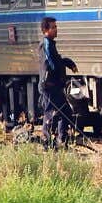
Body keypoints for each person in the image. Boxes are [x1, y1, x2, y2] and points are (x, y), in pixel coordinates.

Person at [38, 16, 78, 149]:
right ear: (45, 30)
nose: (56, 29)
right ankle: (46, 142)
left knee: (65, 111)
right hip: (49, 86)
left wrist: (67, 63)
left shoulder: (50, 44)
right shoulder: (46, 45)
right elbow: (53, 63)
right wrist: (65, 64)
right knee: (50, 113)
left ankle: (61, 140)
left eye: (56, 27)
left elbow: (56, 61)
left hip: (55, 85)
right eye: (53, 27)